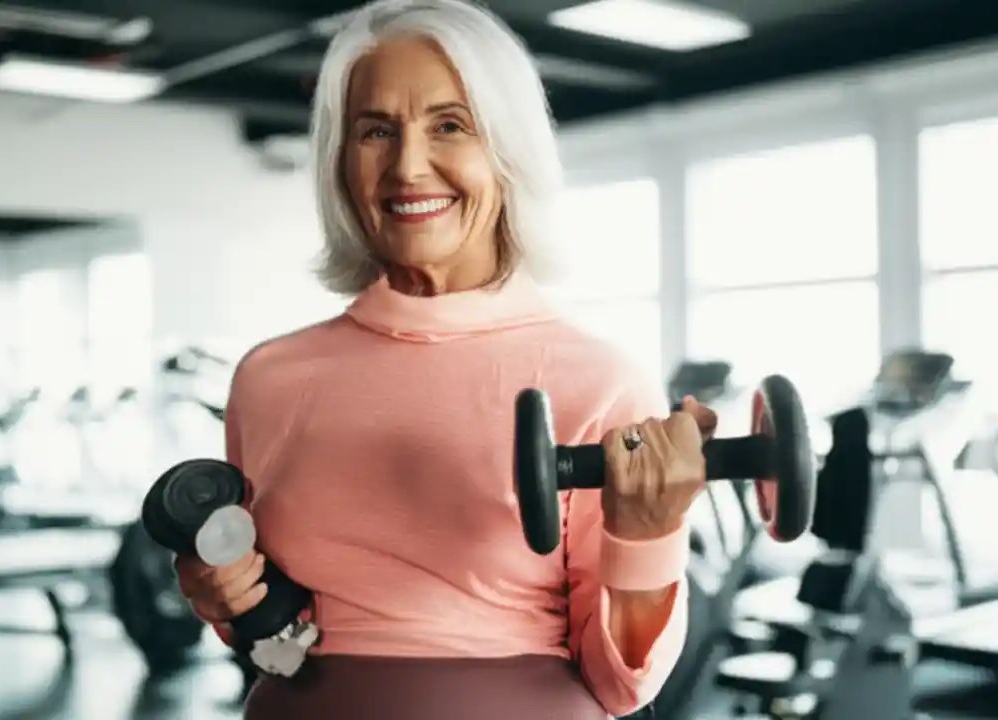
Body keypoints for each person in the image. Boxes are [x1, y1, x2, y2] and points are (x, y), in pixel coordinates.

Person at [174, 1, 716, 717]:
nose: (407, 166)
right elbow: (264, 627)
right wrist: (218, 590)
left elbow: (623, 683)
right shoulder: (270, 378)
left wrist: (648, 537)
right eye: (375, 131)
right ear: (341, 160)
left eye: (450, 126)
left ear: (507, 149)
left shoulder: (600, 379)